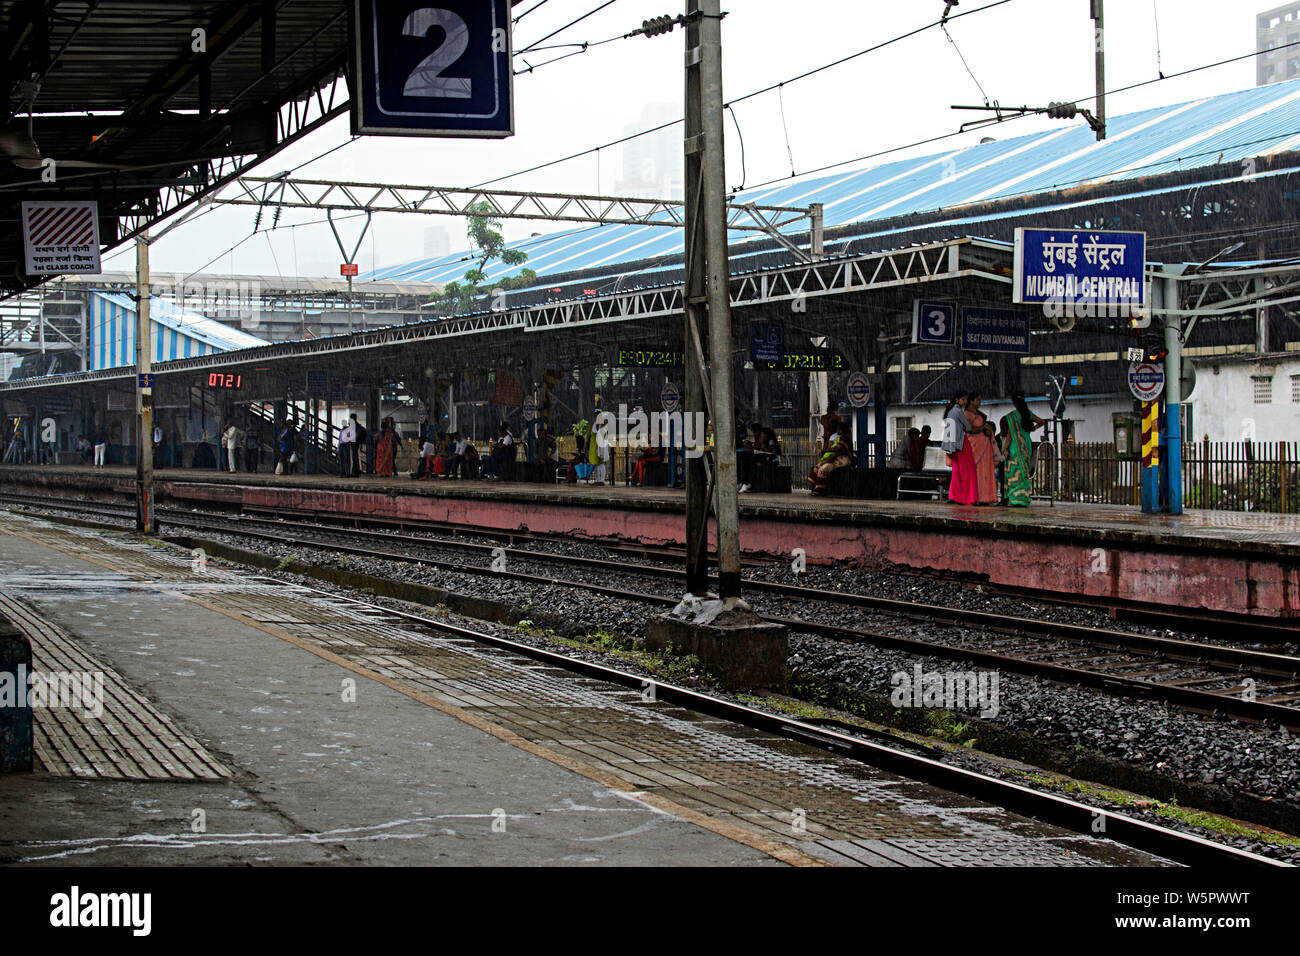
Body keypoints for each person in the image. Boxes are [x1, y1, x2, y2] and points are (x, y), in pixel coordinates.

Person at [1003, 391, 1044, 508]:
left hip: (1015, 447)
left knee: (1014, 472)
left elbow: (1010, 435)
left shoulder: (1012, 416)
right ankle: (1024, 498)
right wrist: (1032, 429)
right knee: (1024, 472)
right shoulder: (1028, 414)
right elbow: (1042, 422)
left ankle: (1015, 499)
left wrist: (1005, 448)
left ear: (1014, 402)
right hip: (1026, 446)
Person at [942, 393, 977, 505]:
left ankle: (956, 496)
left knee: (956, 472)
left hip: (952, 445)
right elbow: (968, 427)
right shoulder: (958, 411)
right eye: (964, 399)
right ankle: (968, 497)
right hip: (962, 444)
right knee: (968, 471)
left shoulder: (950, 411)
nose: (965, 402)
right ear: (957, 400)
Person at [965, 394, 998, 505]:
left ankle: (985, 497)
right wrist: (982, 428)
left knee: (985, 472)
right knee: (976, 472)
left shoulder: (979, 414)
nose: (980, 402)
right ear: (971, 401)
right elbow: (969, 429)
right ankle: (975, 497)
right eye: (978, 400)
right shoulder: (967, 414)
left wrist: (987, 431)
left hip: (984, 446)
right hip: (974, 446)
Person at [810, 421, 853, 495]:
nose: (837, 430)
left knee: (823, 468)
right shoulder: (840, 438)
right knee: (817, 467)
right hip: (836, 457)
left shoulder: (845, 438)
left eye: (838, 429)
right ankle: (816, 487)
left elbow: (837, 449)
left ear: (842, 430)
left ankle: (820, 489)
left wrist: (825, 451)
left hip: (843, 459)